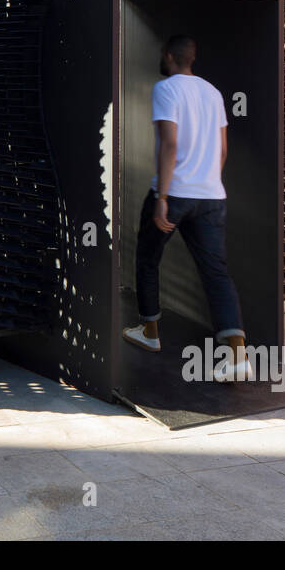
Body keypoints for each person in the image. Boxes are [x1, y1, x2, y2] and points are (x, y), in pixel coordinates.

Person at [123, 34, 252, 381]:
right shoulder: (212, 92)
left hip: (174, 193)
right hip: (211, 195)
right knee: (216, 272)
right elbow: (223, 150)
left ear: (169, 57)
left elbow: (169, 143)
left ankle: (149, 332)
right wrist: (206, 181)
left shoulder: (166, 89)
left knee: (148, 258)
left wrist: (163, 198)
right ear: (193, 59)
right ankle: (237, 354)